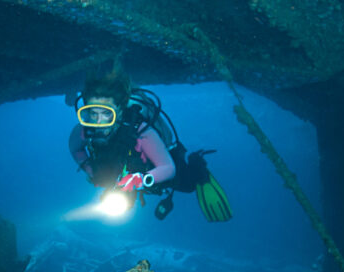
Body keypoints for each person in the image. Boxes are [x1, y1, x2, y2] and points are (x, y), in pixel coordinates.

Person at [68, 60, 232, 221]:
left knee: (187, 185)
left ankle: (198, 164)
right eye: (92, 113)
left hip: (151, 166)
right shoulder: (82, 131)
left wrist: (139, 180)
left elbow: (168, 168)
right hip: (122, 170)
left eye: (106, 114)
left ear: (119, 110)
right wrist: (91, 170)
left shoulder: (141, 131)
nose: (98, 122)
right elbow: (76, 149)